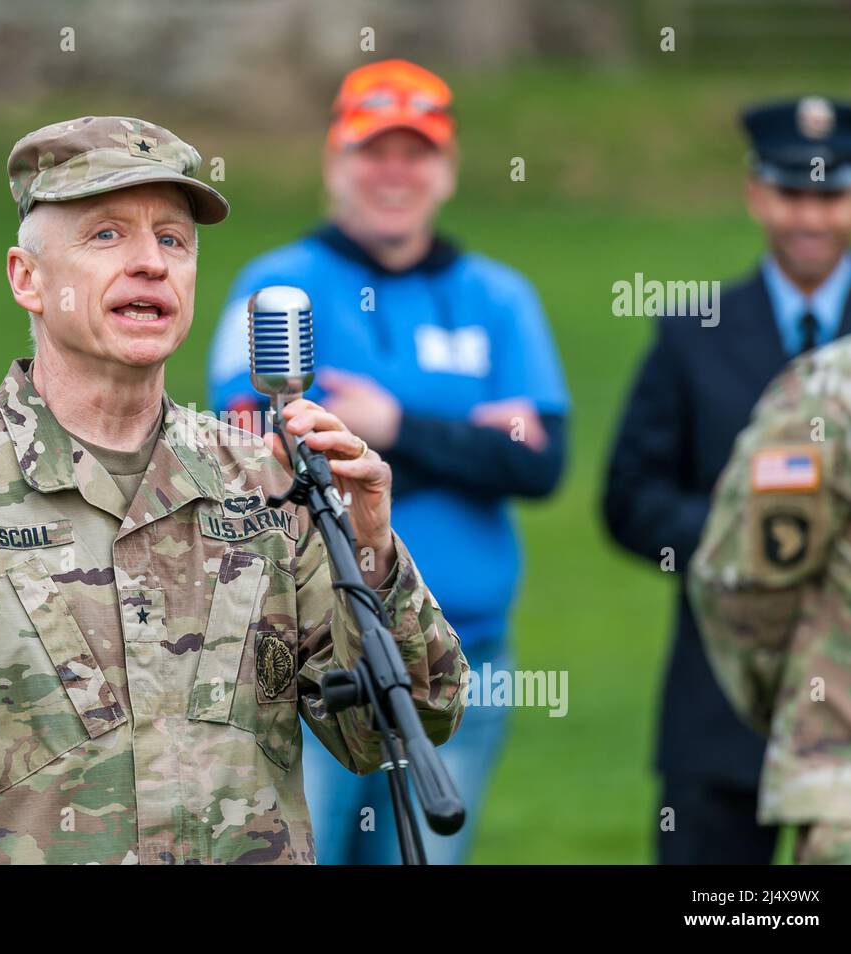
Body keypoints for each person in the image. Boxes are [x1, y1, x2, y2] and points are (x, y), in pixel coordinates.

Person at [0, 114, 467, 865]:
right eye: (106, 235)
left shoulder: (267, 488)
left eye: (172, 239)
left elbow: (397, 731)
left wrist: (369, 548)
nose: (150, 263)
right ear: (27, 279)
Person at [208, 60, 568, 864]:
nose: (394, 174)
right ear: (336, 161)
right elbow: (251, 449)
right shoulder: (279, 290)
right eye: (374, 152)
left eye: (417, 153)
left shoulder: (497, 296)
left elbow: (543, 465)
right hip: (310, 658)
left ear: (447, 169)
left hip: (462, 658)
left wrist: (389, 424)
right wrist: (473, 437)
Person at [603, 96, 851, 864]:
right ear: (757, 194)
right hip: (720, 697)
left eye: (830, 195)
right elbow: (630, 498)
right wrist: (748, 552)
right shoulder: (695, 328)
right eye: (792, 195)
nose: (811, 218)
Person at [688, 327, 851, 864]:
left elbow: (745, 594)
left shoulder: (838, 386)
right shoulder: (840, 392)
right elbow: (757, 587)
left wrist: (793, 702)